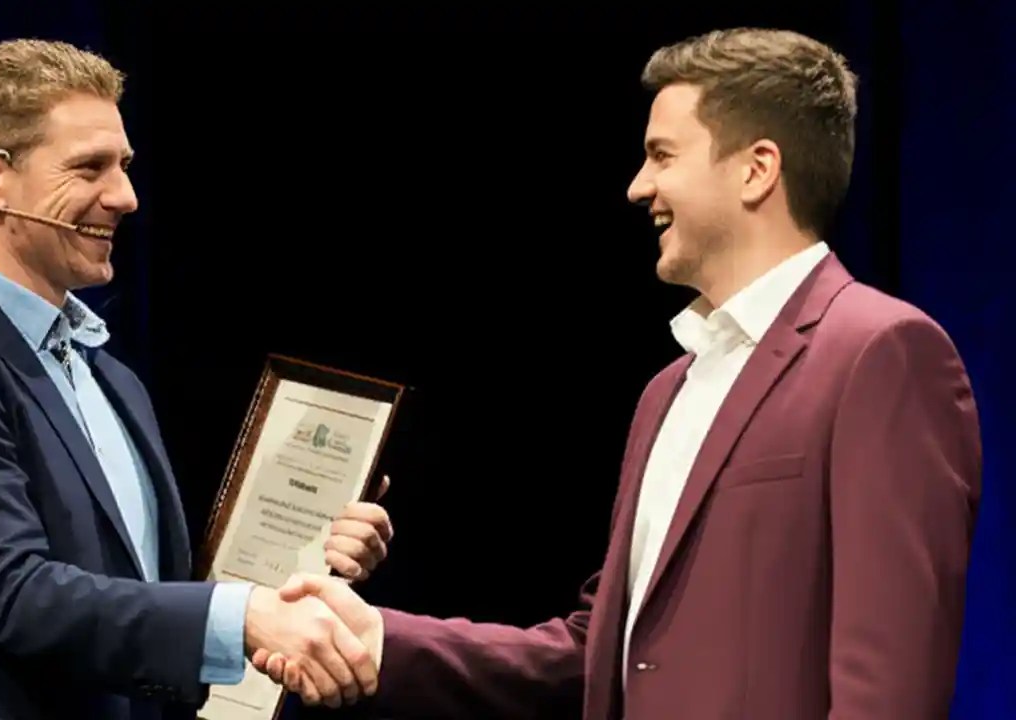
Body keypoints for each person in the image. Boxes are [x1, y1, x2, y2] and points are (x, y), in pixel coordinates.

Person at [252, 27, 983, 720]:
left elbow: (890, 686)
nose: (638, 186)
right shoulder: (669, 392)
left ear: (757, 169)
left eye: (663, 156)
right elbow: (597, 654)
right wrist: (379, 639)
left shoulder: (881, 353)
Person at [0, 38, 393, 720]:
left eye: (124, 166)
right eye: (89, 168)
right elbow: (10, 595)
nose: (125, 198)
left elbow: (140, 599)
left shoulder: (112, 378)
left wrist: (302, 570)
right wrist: (244, 616)